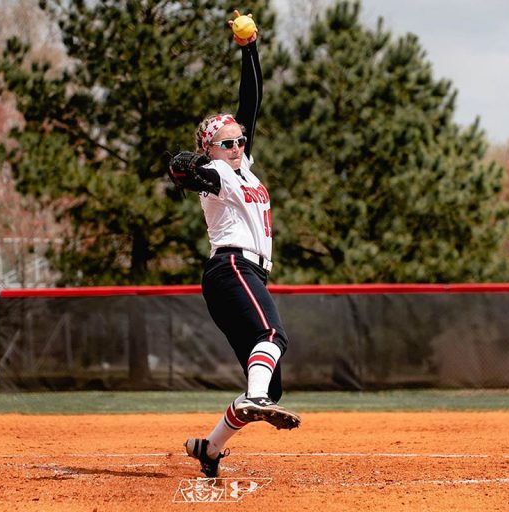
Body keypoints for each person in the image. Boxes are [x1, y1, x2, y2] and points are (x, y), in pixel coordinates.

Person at [169, 11, 301, 479]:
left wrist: (250, 50)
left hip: (246, 276)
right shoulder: (218, 173)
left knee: (270, 382)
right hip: (231, 270)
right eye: (228, 142)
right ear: (212, 149)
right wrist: (187, 167)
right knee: (272, 338)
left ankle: (210, 448)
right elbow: (190, 172)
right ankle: (254, 397)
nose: (239, 145)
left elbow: (252, 103)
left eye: (241, 140)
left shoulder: (241, 165)